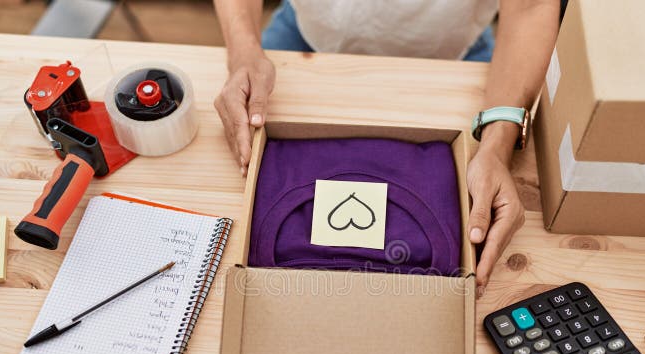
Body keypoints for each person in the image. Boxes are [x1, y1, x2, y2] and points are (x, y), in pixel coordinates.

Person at [213, 0, 560, 294]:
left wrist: (497, 147)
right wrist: (243, 53)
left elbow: (532, 7)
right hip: (299, 39)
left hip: (453, 58)